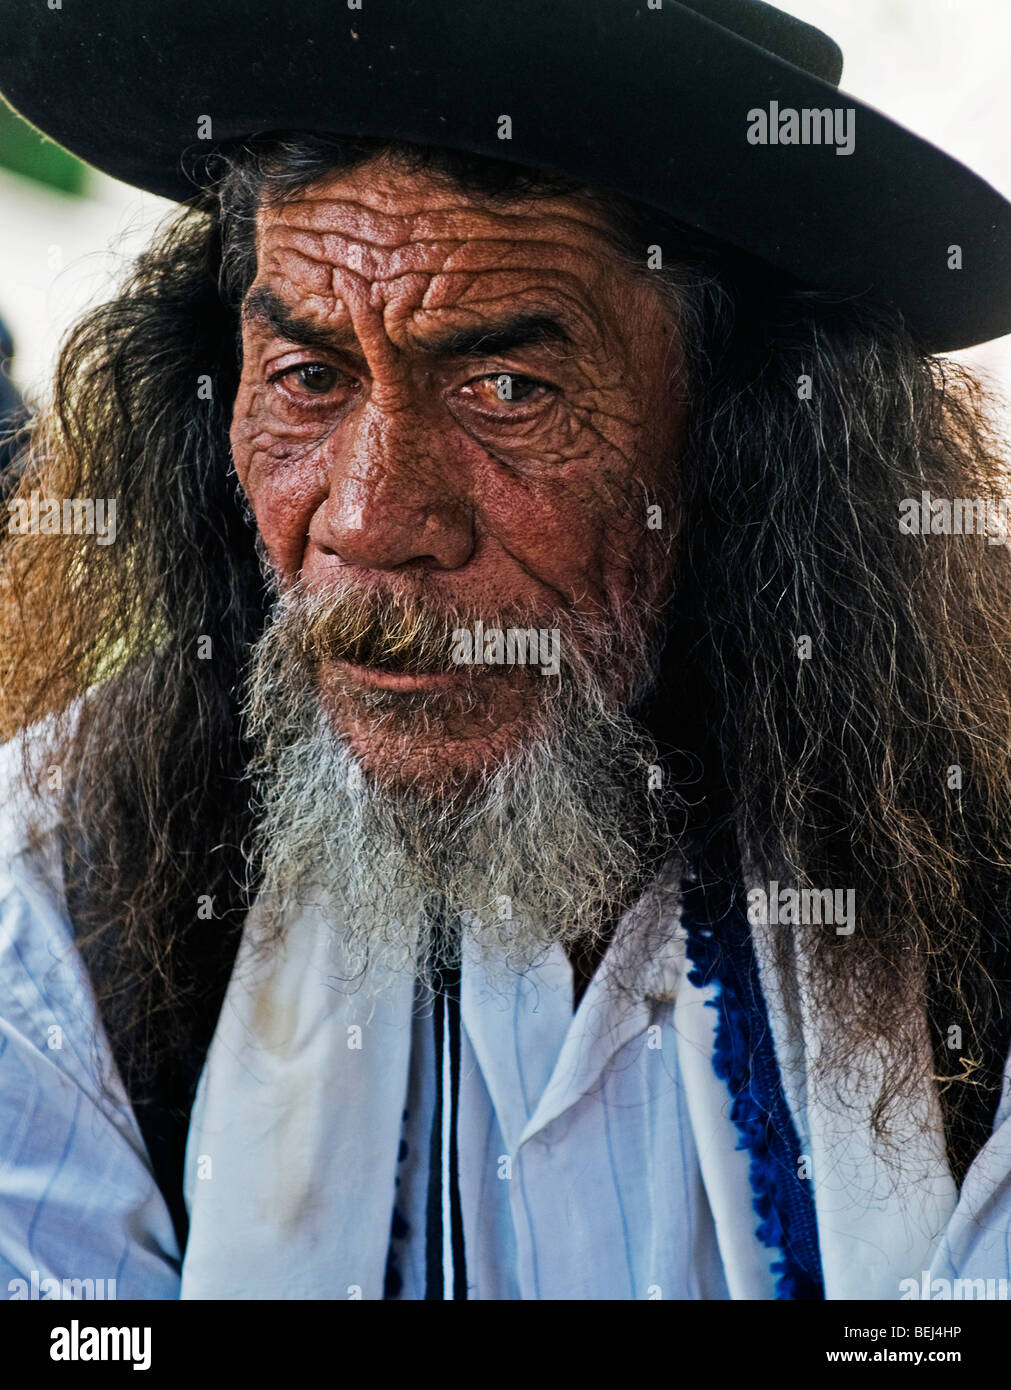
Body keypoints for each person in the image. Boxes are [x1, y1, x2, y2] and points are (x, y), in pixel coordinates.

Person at [2, 0, 1011, 1301]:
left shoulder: (971, 901)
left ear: (745, 440)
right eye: (307, 376)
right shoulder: (71, 887)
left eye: (507, 391)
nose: (371, 520)